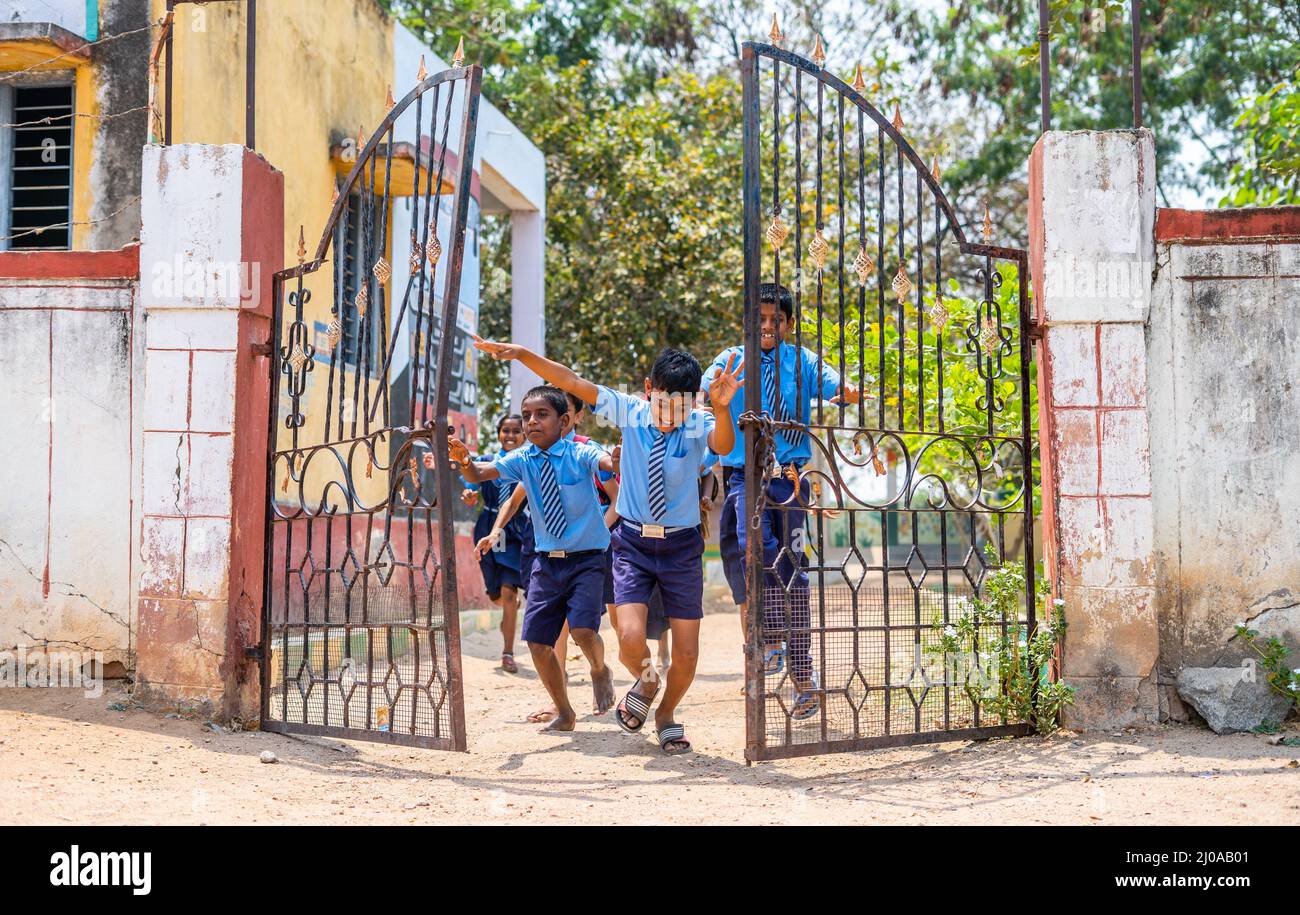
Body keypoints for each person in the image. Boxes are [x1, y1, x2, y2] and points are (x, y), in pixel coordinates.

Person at [473, 336, 741, 754]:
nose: (672, 415)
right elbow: (571, 380)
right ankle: (647, 681)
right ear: (649, 389)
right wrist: (522, 355)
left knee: (687, 655)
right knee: (630, 639)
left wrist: (721, 409)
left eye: (682, 406)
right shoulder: (630, 411)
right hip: (633, 543)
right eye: (664, 403)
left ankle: (667, 715)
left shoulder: (697, 422)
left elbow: (722, 445)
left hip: (681, 546)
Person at [702, 282, 863, 722]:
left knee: (794, 571)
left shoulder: (802, 361)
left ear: (789, 325)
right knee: (756, 560)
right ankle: (767, 646)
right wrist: (719, 393)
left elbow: (836, 384)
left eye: (777, 320)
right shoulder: (730, 360)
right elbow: (710, 390)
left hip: (789, 481)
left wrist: (849, 390)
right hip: (744, 479)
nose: (768, 327)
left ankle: (803, 680)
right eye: (760, 319)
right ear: (748, 324)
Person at [450, 384, 617, 733]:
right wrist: (464, 459)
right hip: (546, 562)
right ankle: (565, 712)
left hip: (587, 559)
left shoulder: (579, 453)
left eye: (542, 415)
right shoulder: (523, 459)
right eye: (526, 416)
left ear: (565, 420)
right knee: (538, 643)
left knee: (584, 631)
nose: (531, 422)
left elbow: (603, 461)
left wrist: (614, 460)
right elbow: (479, 474)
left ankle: (600, 670)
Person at [438, 413, 528, 673]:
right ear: (498, 433)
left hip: (513, 530)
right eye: (506, 431)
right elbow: (471, 484)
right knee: (496, 594)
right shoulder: (486, 462)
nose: (510, 436)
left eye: (516, 431)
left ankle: (508, 653)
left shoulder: (525, 463)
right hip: (487, 527)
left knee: (510, 591)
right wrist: (468, 495)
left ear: (523, 436)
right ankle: (507, 605)